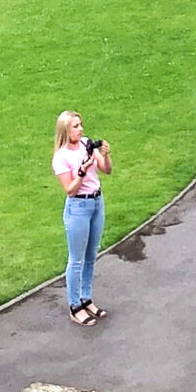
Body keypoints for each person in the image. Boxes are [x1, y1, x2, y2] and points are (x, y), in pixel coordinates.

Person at [51, 112, 113, 326]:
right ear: (66, 131)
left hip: (96, 202)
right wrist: (82, 171)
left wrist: (104, 155)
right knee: (76, 258)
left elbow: (107, 170)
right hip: (78, 207)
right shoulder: (61, 157)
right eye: (76, 126)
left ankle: (86, 298)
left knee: (91, 254)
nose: (81, 129)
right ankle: (74, 304)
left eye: (81, 125)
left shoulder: (87, 145)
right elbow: (70, 189)